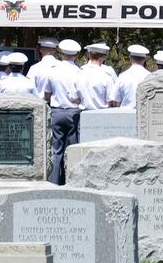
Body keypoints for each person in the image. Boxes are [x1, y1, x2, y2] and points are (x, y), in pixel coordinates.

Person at [47, 38, 82, 184]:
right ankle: (71, 181)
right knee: (72, 149)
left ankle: (54, 182)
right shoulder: (79, 72)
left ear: (61, 53)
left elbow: (47, 94)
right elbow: (81, 95)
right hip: (74, 113)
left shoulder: (53, 71)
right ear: (75, 55)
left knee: (56, 150)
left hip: (57, 111)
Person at [79, 43, 115, 110]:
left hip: (83, 114)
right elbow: (110, 100)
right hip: (101, 114)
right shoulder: (106, 76)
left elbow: (74, 97)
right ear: (103, 58)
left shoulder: (80, 72)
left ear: (89, 55)